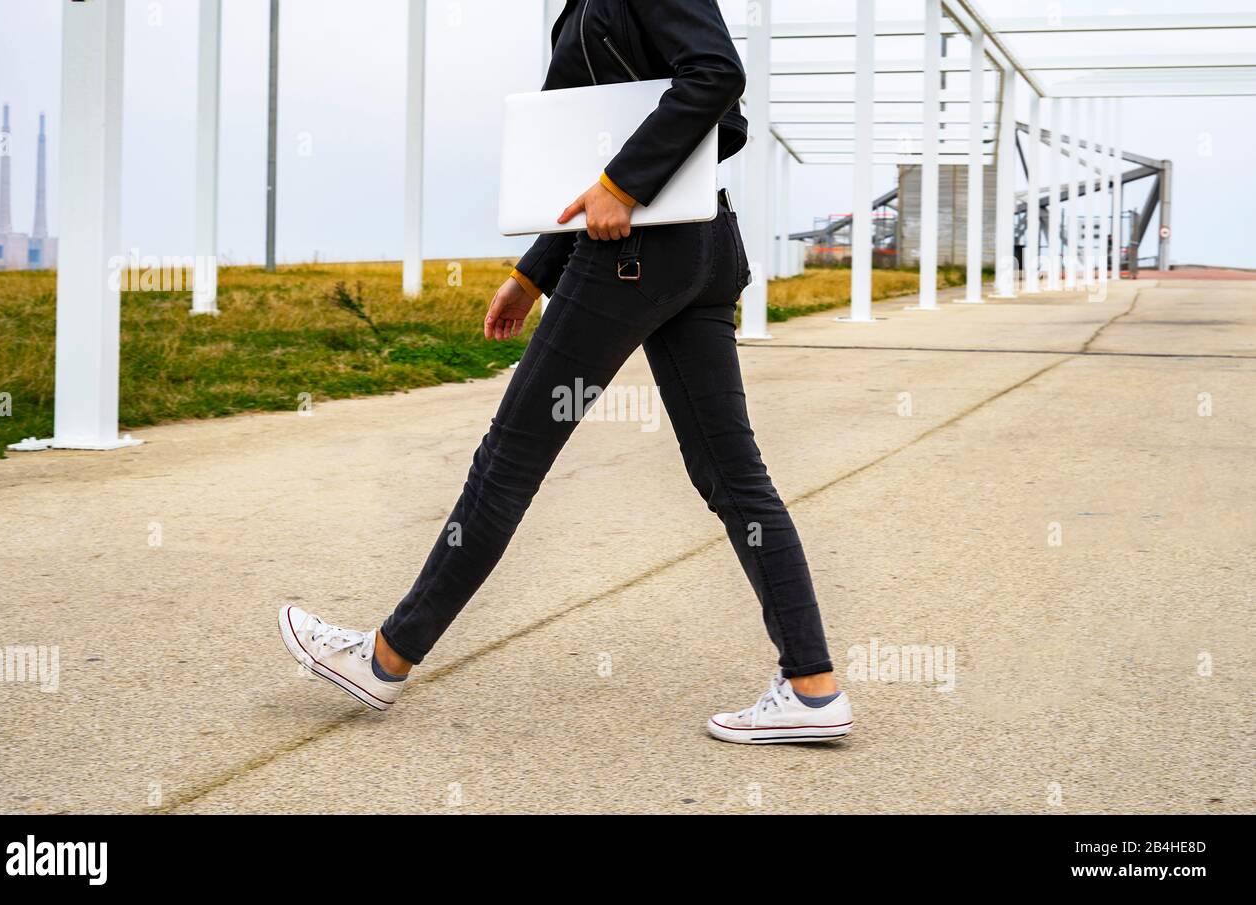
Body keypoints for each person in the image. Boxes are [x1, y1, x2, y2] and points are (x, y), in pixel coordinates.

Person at [278, 0, 852, 744]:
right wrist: (535, 272)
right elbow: (583, 150)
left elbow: (715, 74)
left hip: (634, 256)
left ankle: (385, 658)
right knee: (732, 473)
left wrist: (625, 184)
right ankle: (812, 686)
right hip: (690, 248)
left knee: (508, 459)